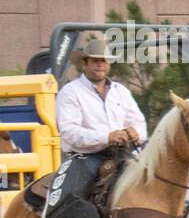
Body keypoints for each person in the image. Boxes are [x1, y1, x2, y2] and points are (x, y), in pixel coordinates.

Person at [55, 34, 147, 206]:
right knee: (73, 202)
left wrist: (136, 133)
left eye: (104, 60)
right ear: (84, 63)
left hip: (124, 154)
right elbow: (69, 132)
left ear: (109, 64)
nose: (100, 64)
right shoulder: (70, 92)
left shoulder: (121, 91)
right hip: (87, 158)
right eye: (95, 60)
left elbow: (139, 122)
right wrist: (107, 137)